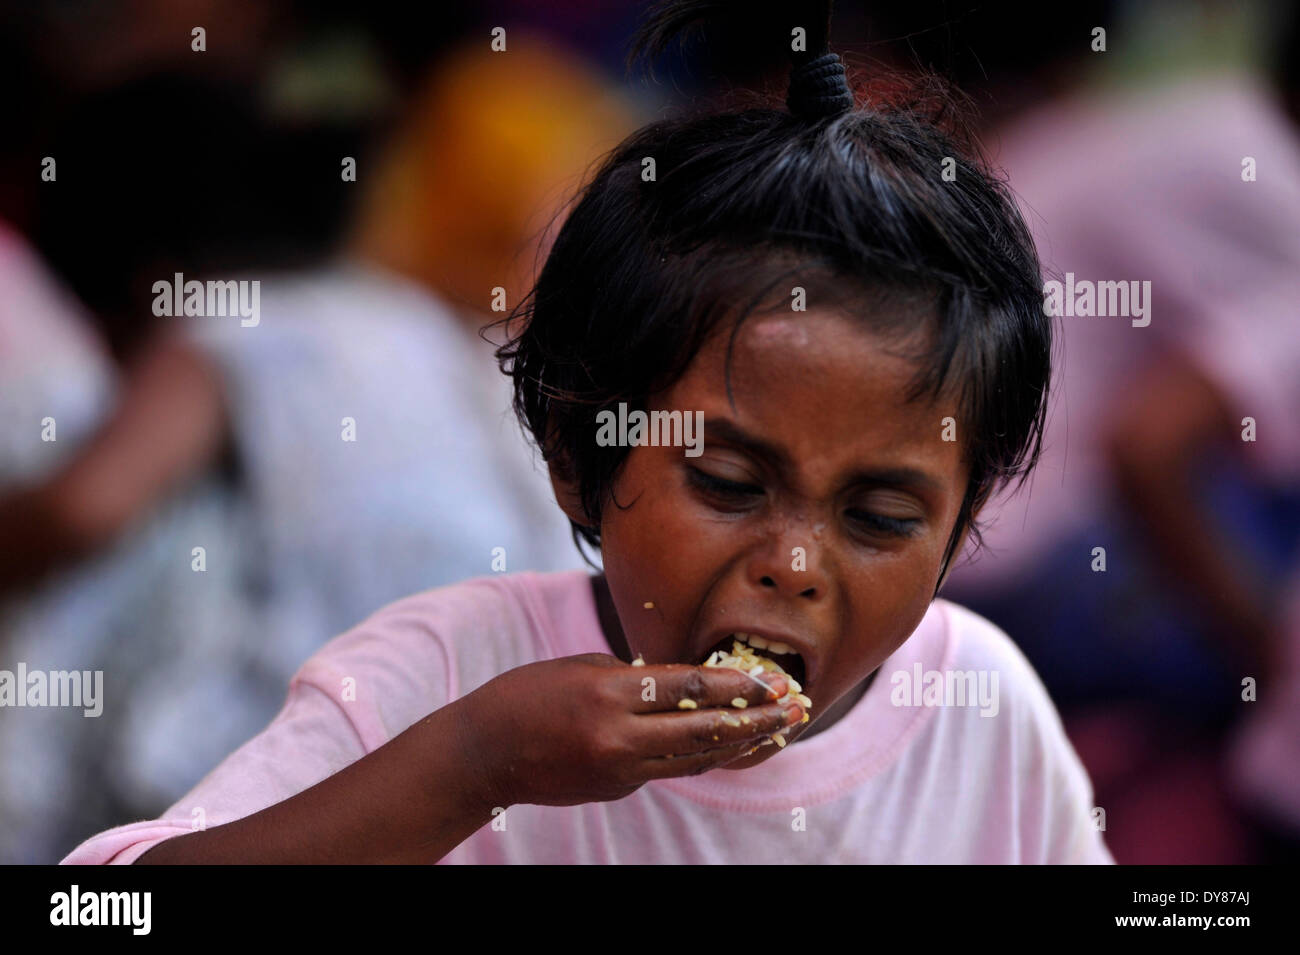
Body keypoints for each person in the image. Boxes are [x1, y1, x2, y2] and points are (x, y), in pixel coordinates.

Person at [62, 0, 1111, 865]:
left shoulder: (979, 707)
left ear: (962, 523)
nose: (794, 566)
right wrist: (473, 765)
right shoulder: (449, 676)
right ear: (575, 456)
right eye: (727, 484)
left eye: (880, 516)